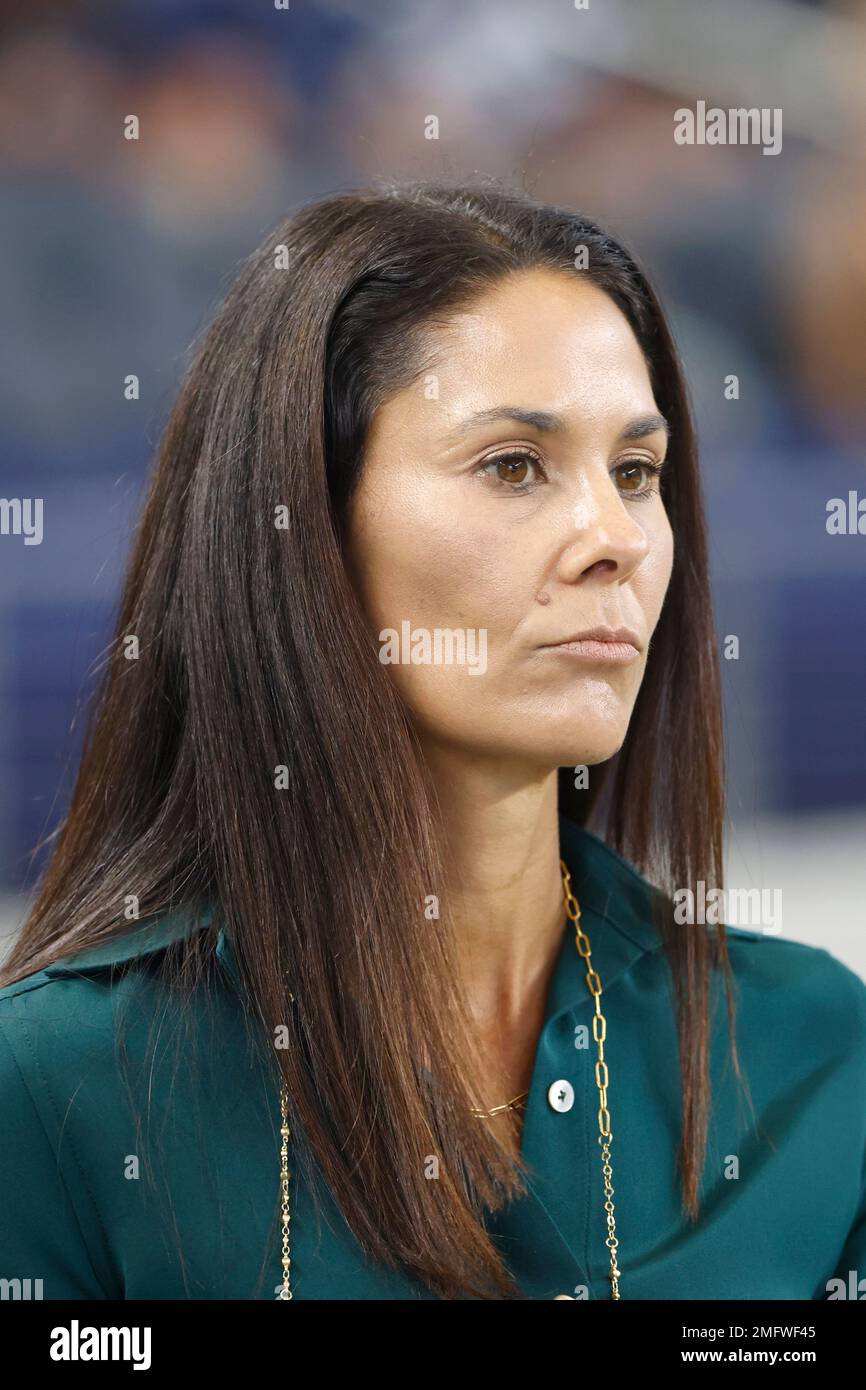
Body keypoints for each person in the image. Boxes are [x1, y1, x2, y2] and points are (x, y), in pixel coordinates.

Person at [1, 180, 864, 1301]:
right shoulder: (58, 1089)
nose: (613, 539)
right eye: (514, 465)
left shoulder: (816, 1054)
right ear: (302, 524)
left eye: (636, 473)